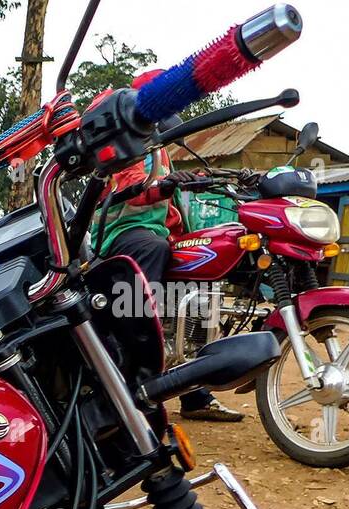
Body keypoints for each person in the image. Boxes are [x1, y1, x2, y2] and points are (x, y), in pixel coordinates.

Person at [91, 71, 244, 423]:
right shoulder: (130, 146)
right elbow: (131, 188)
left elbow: (173, 211)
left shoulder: (161, 152)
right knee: (150, 272)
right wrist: (163, 186)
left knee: (197, 274)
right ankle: (135, 377)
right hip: (124, 235)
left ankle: (194, 394)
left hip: (156, 234)